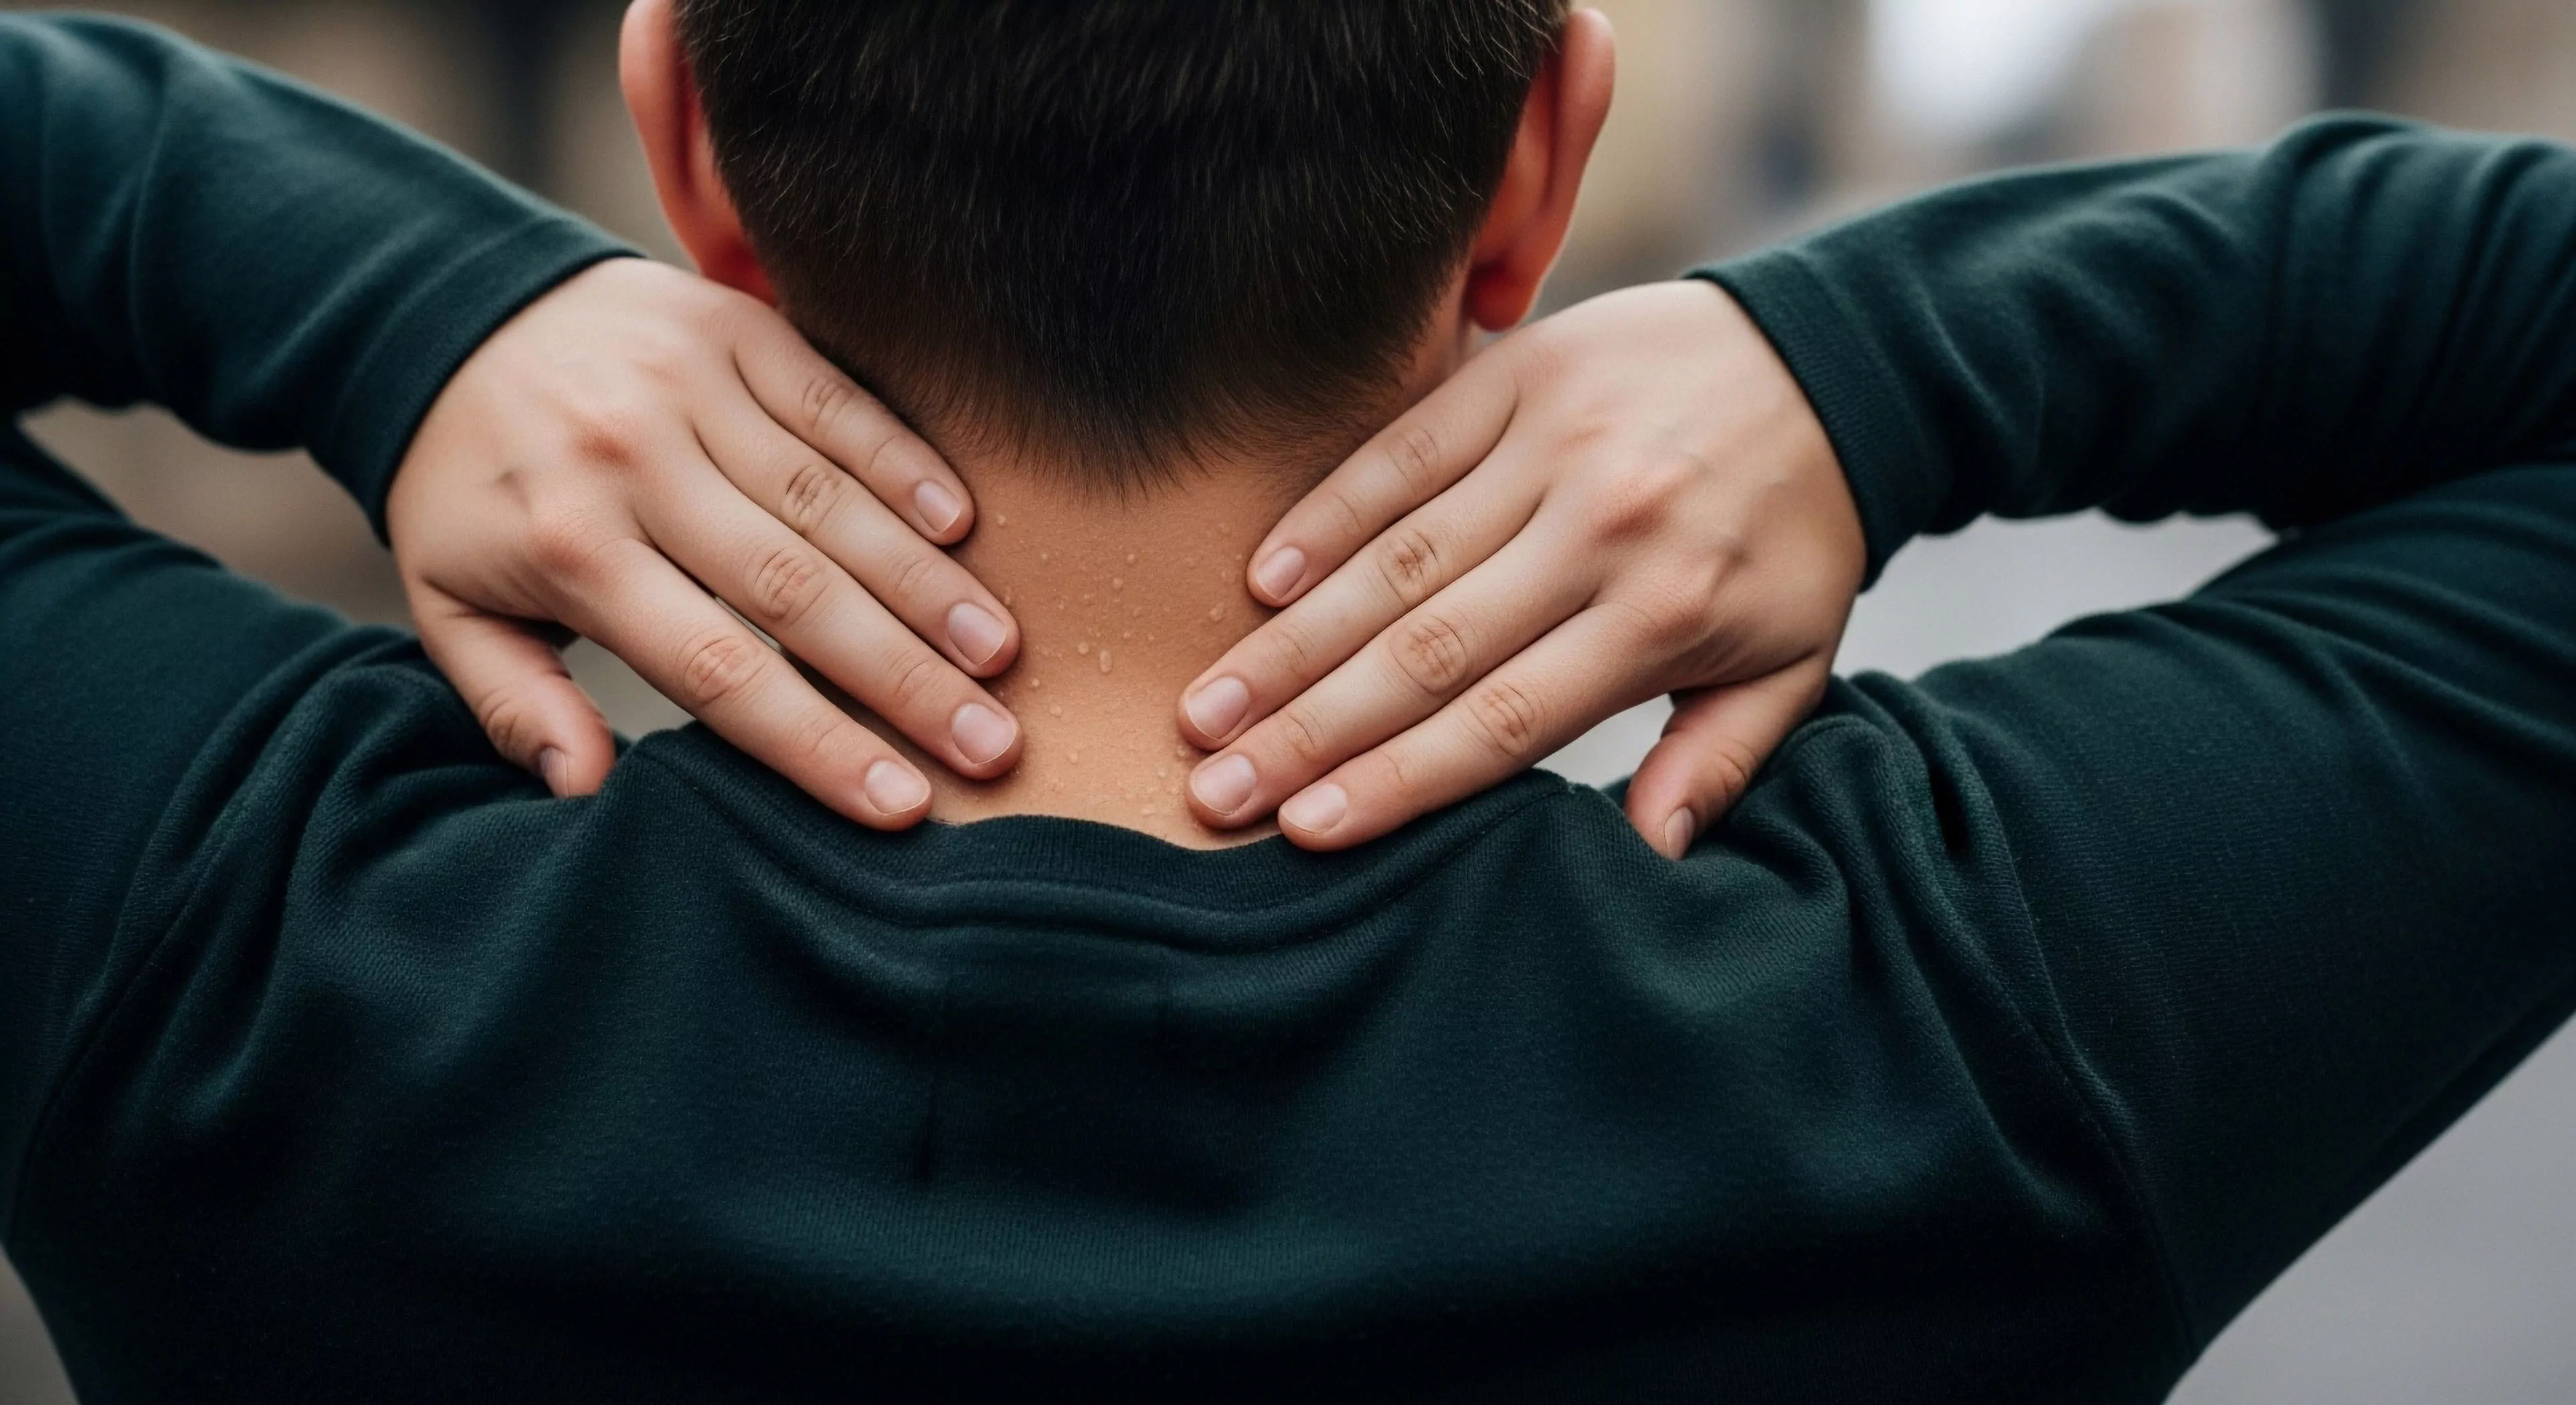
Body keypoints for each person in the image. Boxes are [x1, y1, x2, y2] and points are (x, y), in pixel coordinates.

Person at [3, 8, 2573, 1405]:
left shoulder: (226, 966)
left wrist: (395, 302)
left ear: (686, 158)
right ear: (1540, 174)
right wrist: (1884, 365)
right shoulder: (1972, 1040)